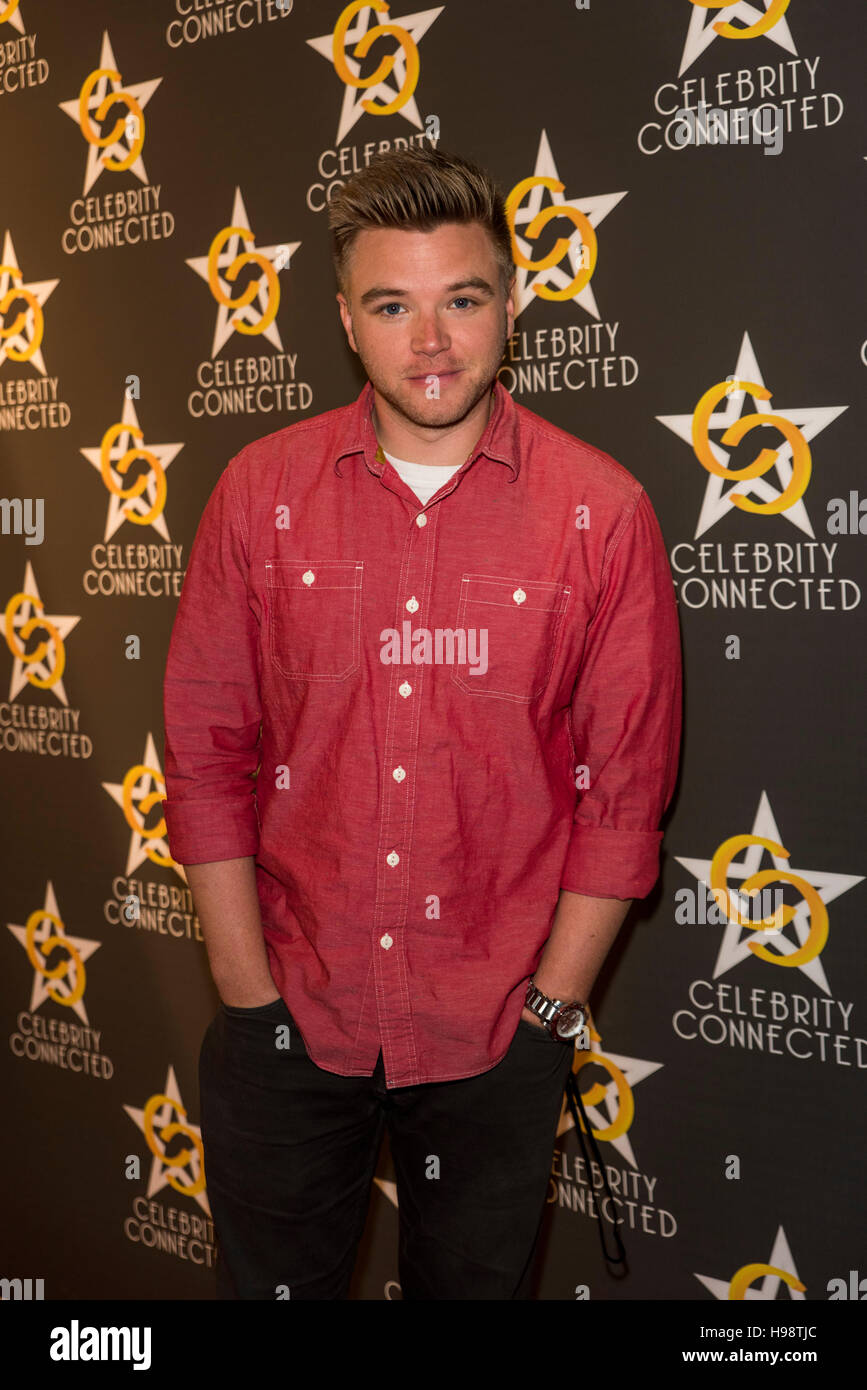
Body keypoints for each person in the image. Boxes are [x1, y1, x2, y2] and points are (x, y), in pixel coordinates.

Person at [161, 146, 682, 1300]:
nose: (431, 340)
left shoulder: (602, 513)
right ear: (348, 320)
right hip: (290, 1013)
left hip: (498, 1032)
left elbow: (625, 794)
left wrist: (548, 1012)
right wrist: (249, 995)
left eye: (462, 298)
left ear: (513, 303)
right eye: (394, 305)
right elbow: (204, 753)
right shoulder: (259, 493)